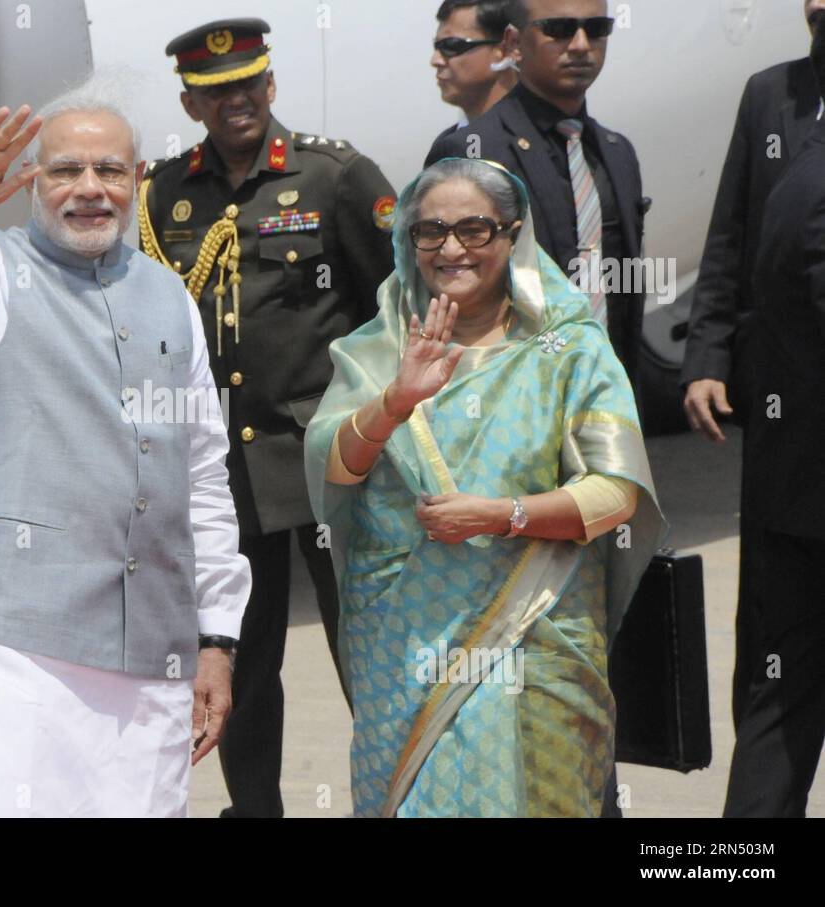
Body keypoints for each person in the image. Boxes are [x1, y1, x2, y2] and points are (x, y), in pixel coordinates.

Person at [0, 74, 250, 818]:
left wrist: (217, 634)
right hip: (20, 643)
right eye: (65, 171)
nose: (89, 189)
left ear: (137, 181)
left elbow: (204, 474)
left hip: (152, 645)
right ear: (30, 182)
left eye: (109, 171)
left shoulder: (169, 295)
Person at [304, 158, 664, 817]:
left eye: (474, 229)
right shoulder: (379, 347)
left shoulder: (569, 350)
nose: (450, 248)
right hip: (403, 649)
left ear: (512, 236)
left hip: (536, 634)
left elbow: (617, 492)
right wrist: (393, 402)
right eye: (430, 230)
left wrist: (502, 515)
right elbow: (334, 467)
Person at [139, 17, 398, 818]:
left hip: (326, 458)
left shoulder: (335, 176)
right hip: (225, 469)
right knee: (240, 660)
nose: (236, 101)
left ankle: (398, 796)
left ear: (272, 86)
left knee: (364, 646)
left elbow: (390, 306)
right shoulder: (166, 191)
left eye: (248, 84)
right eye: (216, 92)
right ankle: (254, 808)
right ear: (191, 102)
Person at [681, 0, 825, 737]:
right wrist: (706, 356)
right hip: (780, 415)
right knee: (773, 656)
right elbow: (729, 234)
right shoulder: (770, 92)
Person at [425, 0, 647, 384]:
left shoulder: (615, 152)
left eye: (596, 29)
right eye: (558, 29)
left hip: (610, 397)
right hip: (509, 404)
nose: (580, 44)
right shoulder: (473, 151)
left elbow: (625, 293)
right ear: (514, 43)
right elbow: (440, 296)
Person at [720, 17, 825, 818]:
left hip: (794, 472)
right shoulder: (777, 103)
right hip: (795, 474)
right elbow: (749, 242)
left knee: (778, 693)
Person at [431, 0, 518, 136]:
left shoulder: (548, 142)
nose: (435, 61)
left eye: (451, 45)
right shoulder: (446, 145)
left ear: (506, 50)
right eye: (436, 46)